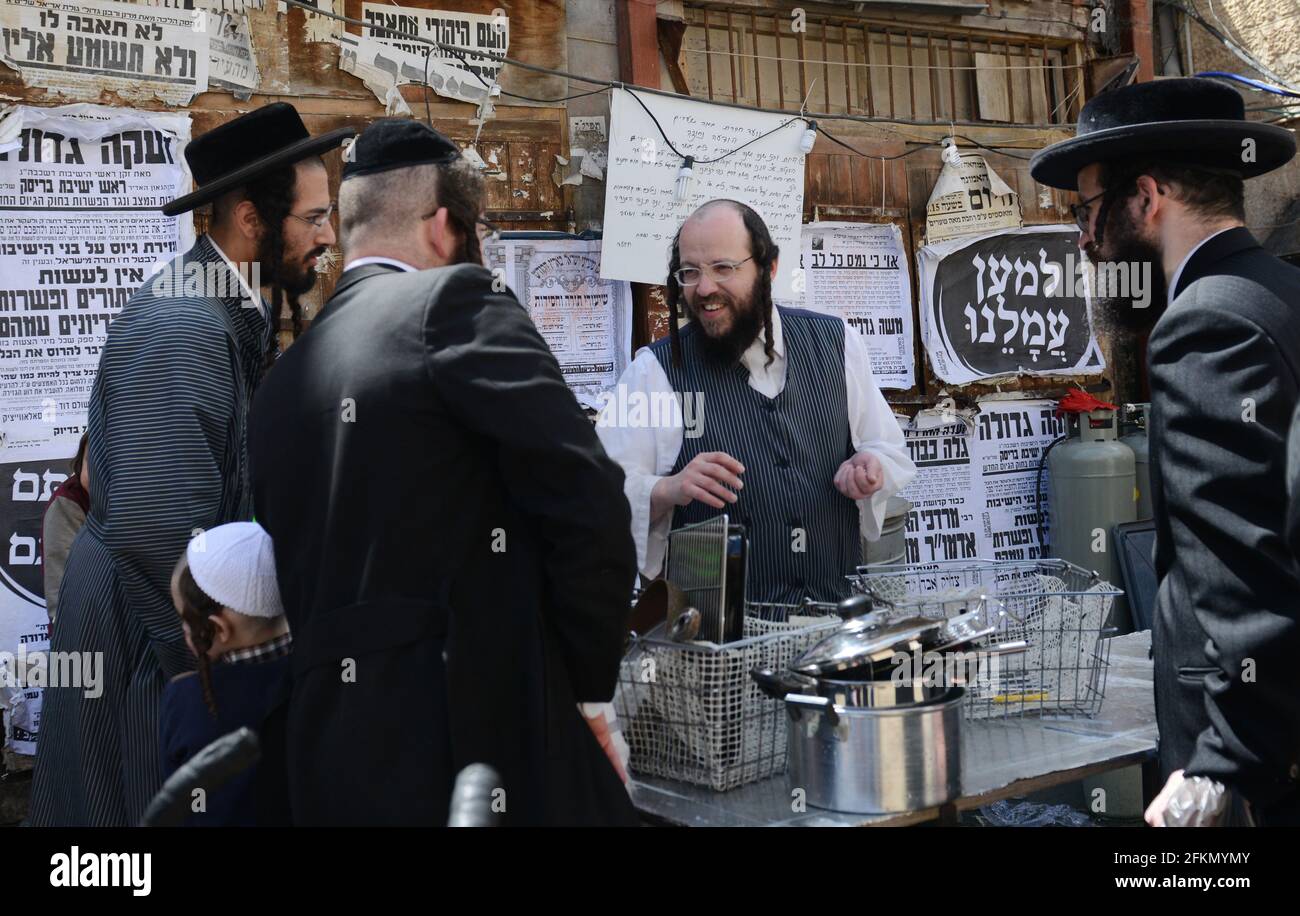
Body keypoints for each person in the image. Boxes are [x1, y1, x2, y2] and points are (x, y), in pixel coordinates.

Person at [247, 118, 638, 826]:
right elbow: (589, 502)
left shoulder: (280, 382)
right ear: (445, 227)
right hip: (477, 754)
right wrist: (587, 695)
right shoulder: (455, 303)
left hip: (330, 764)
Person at [28, 103, 353, 826]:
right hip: (145, 640)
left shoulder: (224, 308)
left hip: (159, 632)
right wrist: (213, 678)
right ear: (249, 219)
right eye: (313, 217)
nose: (329, 237)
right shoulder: (183, 326)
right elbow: (157, 530)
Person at [1030, 77, 1300, 826]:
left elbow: (1243, 562)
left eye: (1087, 210)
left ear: (1146, 198)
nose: (1084, 239)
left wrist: (1222, 765)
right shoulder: (1282, 293)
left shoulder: (1204, 325)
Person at [596, 199, 915, 604]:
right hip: (714, 647)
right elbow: (599, 496)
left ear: (769, 268)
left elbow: (885, 447)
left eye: (723, 268)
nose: (705, 288)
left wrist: (871, 467)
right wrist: (666, 489)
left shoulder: (838, 345)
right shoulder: (653, 373)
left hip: (831, 630)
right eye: (690, 272)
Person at [161, 523, 292, 827]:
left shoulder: (187, 701)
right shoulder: (318, 677)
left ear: (219, 629)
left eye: (185, 620)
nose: (182, 631)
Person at [41, 433, 90, 625]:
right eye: (91, 462)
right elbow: (61, 586)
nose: (100, 472)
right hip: (82, 628)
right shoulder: (67, 503)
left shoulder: (136, 498)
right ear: (79, 464)